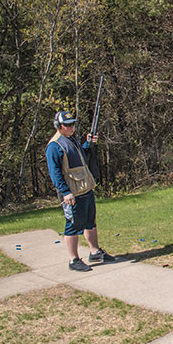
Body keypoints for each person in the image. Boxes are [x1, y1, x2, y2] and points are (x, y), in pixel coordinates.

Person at [46, 110, 114, 272]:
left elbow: (81, 157)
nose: (71, 127)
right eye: (67, 125)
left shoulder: (71, 140)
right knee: (72, 226)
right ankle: (73, 259)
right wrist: (65, 192)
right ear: (59, 126)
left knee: (90, 223)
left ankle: (95, 252)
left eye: (73, 124)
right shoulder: (55, 146)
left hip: (85, 189)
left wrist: (87, 144)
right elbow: (54, 173)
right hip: (72, 194)